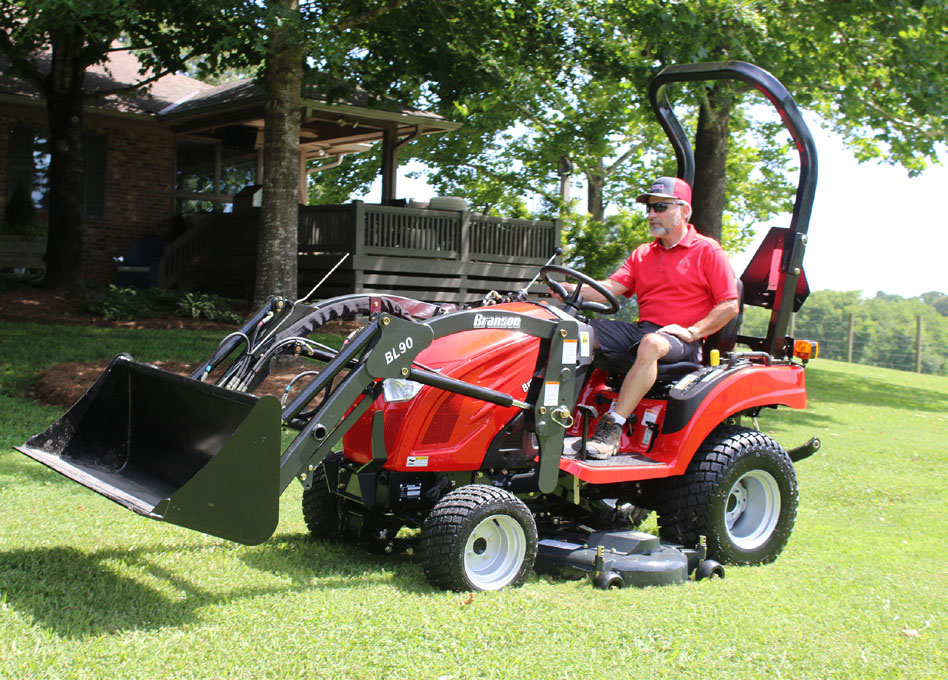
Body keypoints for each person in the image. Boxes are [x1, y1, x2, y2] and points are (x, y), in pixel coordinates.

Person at [554, 177, 739, 459]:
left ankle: (612, 429)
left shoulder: (707, 251)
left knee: (652, 343)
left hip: (682, 340)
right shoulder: (643, 253)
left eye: (660, 207)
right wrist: (569, 290)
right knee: (572, 329)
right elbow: (609, 290)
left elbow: (729, 305)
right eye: (650, 208)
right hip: (645, 331)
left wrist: (692, 331)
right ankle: (555, 416)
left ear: (684, 211)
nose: (652, 214)